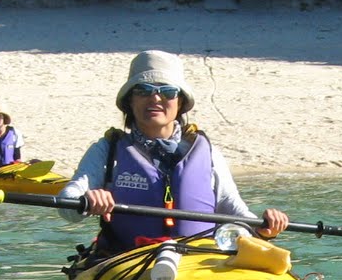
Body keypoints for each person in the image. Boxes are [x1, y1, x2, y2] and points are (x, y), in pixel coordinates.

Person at [60, 50, 289, 254]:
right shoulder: (107, 150)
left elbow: (233, 208)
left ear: (180, 102)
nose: (156, 98)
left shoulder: (206, 152)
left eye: (168, 92)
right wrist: (86, 200)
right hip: (128, 260)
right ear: (130, 100)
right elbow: (66, 206)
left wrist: (265, 227)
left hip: (199, 259)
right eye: (143, 90)